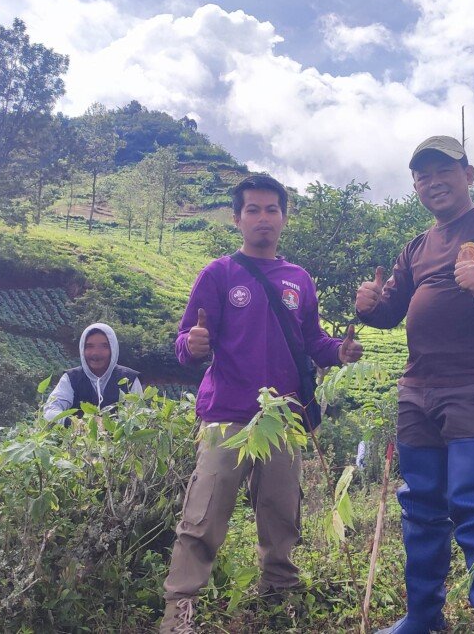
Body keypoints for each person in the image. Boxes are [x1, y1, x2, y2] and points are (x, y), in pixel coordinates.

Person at [356, 135, 474, 634]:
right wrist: (369, 304)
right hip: (417, 389)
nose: (432, 182)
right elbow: (392, 310)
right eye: (422, 175)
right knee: (419, 508)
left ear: (469, 174)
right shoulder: (416, 246)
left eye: (444, 170)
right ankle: (422, 619)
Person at [159, 174, 363, 633]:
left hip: (284, 420)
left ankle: (279, 594)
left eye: (272, 209)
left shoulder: (298, 279)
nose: (263, 218)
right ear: (237, 219)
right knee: (204, 513)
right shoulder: (218, 274)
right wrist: (191, 344)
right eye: (253, 209)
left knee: (280, 511)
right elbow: (184, 340)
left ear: (284, 219)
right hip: (227, 417)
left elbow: (314, 341)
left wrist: (341, 352)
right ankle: (180, 608)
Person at [42, 322, 143, 424]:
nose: (96, 353)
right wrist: (74, 424)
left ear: (113, 349)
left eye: (104, 346)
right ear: (82, 349)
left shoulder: (129, 379)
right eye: (89, 346)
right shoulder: (72, 378)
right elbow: (50, 410)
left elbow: (137, 418)